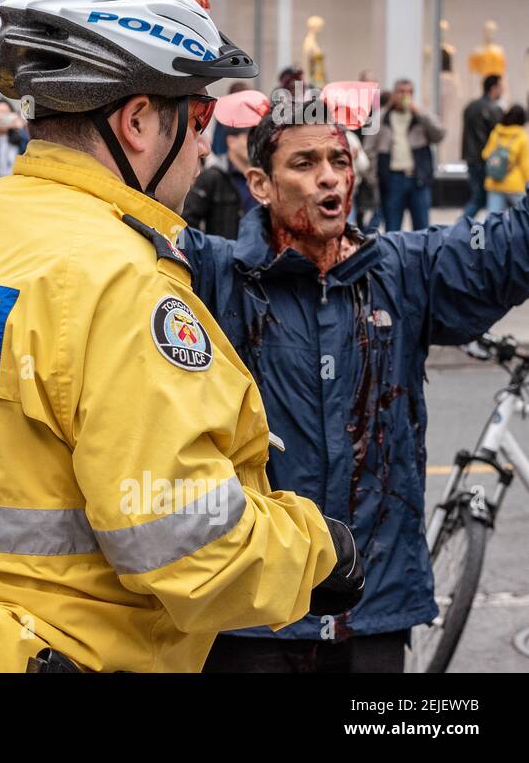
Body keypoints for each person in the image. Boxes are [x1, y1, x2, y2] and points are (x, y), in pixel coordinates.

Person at [0, 0, 360, 673]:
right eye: (199, 118)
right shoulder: (119, 280)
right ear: (138, 121)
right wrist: (319, 551)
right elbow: (187, 544)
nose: (204, 148)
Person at [178, 82, 529, 673]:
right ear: (260, 184)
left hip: (374, 611)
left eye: (339, 160)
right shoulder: (216, 275)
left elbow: (509, 248)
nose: (329, 178)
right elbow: (114, 225)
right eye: (304, 163)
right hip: (255, 615)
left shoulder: (404, 269)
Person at [365, 78, 444, 231]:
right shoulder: (381, 117)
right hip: (392, 179)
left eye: (409, 92)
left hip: (418, 179)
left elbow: (439, 135)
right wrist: (373, 177)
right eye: (401, 92)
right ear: (394, 94)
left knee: (422, 230)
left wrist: (421, 114)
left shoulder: (420, 117)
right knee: (392, 229)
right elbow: (369, 149)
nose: (405, 96)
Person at [183, 116, 257, 239]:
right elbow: (187, 219)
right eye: (248, 138)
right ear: (231, 141)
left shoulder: (263, 178)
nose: (254, 144)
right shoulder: (213, 176)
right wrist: (208, 247)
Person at [462, 74, 505, 219]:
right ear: (494, 88)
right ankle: (460, 225)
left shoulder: (470, 106)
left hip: (471, 158)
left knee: (479, 197)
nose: (502, 90)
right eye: (501, 87)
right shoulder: (493, 109)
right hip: (486, 159)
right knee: (480, 198)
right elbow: (499, 135)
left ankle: (461, 224)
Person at [482, 104, 529, 213]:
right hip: (515, 185)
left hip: (494, 183)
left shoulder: (496, 133)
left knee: (494, 219)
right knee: (524, 217)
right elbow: (526, 164)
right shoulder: (522, 137)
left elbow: (485, 154)